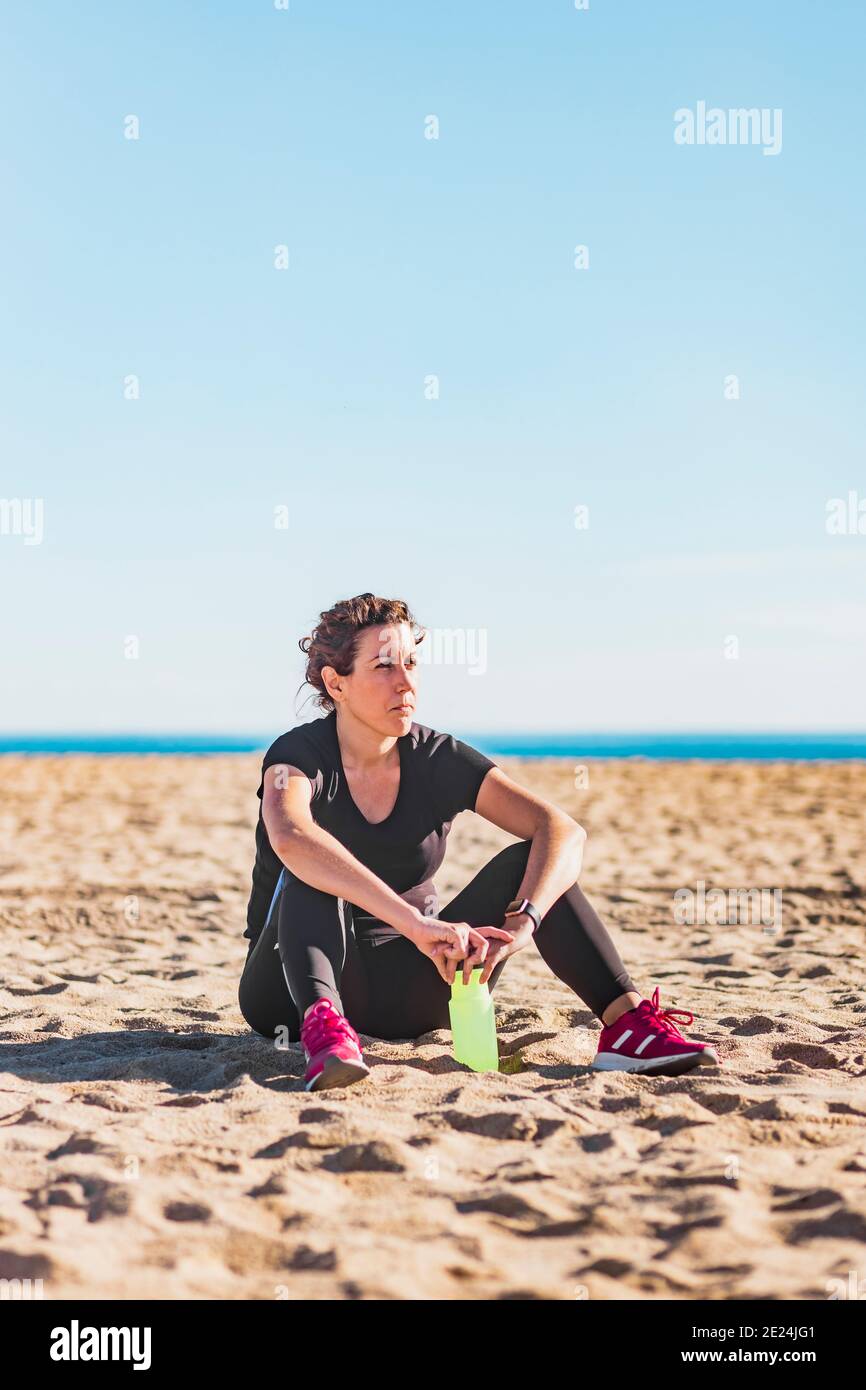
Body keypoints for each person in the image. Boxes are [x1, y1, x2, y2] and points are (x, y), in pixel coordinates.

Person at [238, 593, 720, 1091]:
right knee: (312, 866)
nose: (405, 682)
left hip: (416, 986)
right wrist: (418, 924)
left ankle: (628, 1027)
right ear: (336, 683)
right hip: (288, 991)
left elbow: (561, 830)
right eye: (384, 666)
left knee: (532, 864)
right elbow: (292, 836)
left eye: (411, 663)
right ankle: (328, 1035)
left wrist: (522, 925)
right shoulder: (297, 756)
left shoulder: (435, 756)